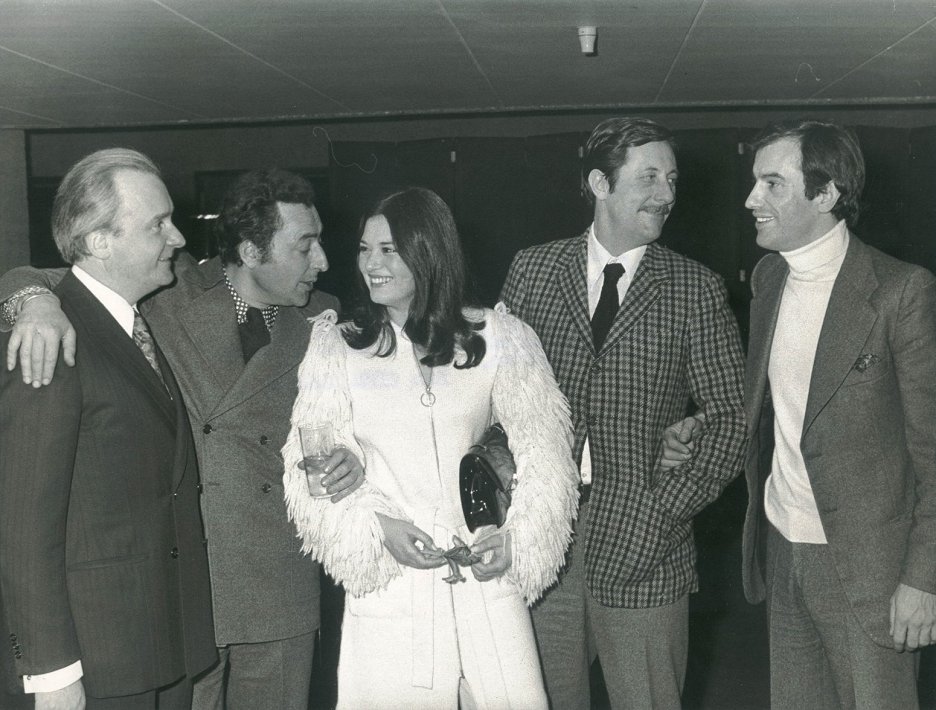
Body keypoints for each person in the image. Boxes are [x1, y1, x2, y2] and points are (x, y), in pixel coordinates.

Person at [0, 168, 364, 710]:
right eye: (305, 245)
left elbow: (371, 416)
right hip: (187, 581)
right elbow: (54, 274)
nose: (323, 261)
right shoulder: (169, 288)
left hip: (277, 578)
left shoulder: (326, 321)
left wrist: (355, 456)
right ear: (251, 251)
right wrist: (34, 302)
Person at [281, 186, 580, 709]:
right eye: (365, 249)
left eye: (388, 250)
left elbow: (547, 452)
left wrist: (514, 538)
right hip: (392, 585)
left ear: (429, 252)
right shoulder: (337, 347)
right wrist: (377, 527)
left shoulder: (500, 337)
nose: (370, 264)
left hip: (485, 577)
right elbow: (308, 472)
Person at [499, 116, 747, 709]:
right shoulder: (533, 270)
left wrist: (664, 508)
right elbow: (495, 397)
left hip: (647, 543)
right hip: (544, 538)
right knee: (542, 699)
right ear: (600, 184)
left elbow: (734, 416)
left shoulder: (694, 288)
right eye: (650, 177)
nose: (667, 194)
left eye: (673, 179)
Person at [0, 148, 216, 708]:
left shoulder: (136, 317)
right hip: (96, 659)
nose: (178, 238)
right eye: (157, 224)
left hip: (165, 644)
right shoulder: (50, 339)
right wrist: (50, 671)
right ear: (99, 241)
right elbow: (22, 525)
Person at [739, 119, 936, 708]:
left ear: (825, 194)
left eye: (772, 184)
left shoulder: (902, 291)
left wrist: (924, 578)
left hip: (871, 569)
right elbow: (779, 411)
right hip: (783, 545)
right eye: (755, 182)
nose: (751, 199)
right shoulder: (769, 279)